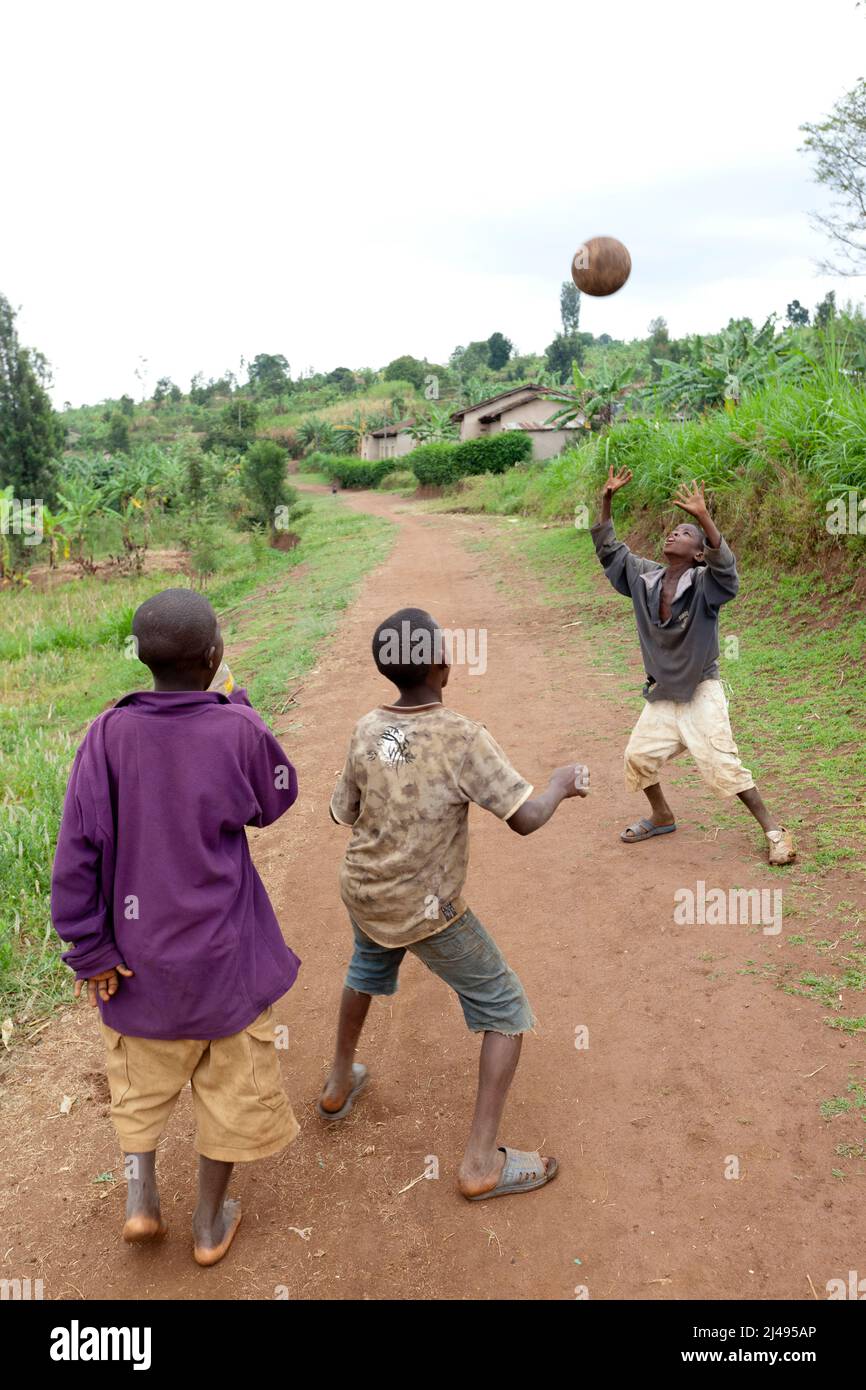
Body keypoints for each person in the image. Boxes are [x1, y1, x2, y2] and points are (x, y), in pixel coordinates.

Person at [51, 588, 300, 1266]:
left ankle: (140, 1198)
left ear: (139, 658)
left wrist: (89, 948)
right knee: (228, 1090)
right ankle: (211, 1221)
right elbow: (275, 797)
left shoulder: (106, 735)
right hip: (224, 964)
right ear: (216, 657)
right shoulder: (236, 730)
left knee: (138, 1088)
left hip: (135, 965)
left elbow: (77, 850)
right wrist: (240, 704)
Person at [319, 606, 590, 1201]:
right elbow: (526, 818)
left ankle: (339, 1082)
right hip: (424, 905)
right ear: (443, 664)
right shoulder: (464, 737)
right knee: (506, 1009)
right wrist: (560, 784)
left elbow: (343, 811)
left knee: (366, 967)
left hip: (365, 888)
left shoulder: (374, 730)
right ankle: (479, 1164)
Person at [590, 467, 795, 866]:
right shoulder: (644, 577)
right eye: (673, 531)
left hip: (701, 690)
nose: (674, 534)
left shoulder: (706, 584)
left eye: (685, 533)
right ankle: (662, 816)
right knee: (638, 757)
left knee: (723, 765)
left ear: (699, 553)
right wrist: (607, 499)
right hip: (663, 693)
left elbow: (727, 570)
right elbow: (610, 550)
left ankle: (775, 831)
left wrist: (704, 517)